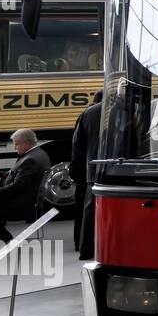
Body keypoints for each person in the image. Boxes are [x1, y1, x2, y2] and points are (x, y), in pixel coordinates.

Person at [0, 128, 51, 245]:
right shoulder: (37, 153)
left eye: (16, 144)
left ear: (26, 143)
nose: (15, 148)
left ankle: (0, 236)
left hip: (22, 204)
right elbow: (19, 177)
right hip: (27, 199)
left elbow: (18, 186)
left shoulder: (30, 159)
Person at [72, 89, 105, 259]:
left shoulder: (87, 113)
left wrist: (76, 167)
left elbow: (77, 144)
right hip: (112, 168)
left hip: (90, 168)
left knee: (88, 209)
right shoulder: (116, 110)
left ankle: (84, 249)